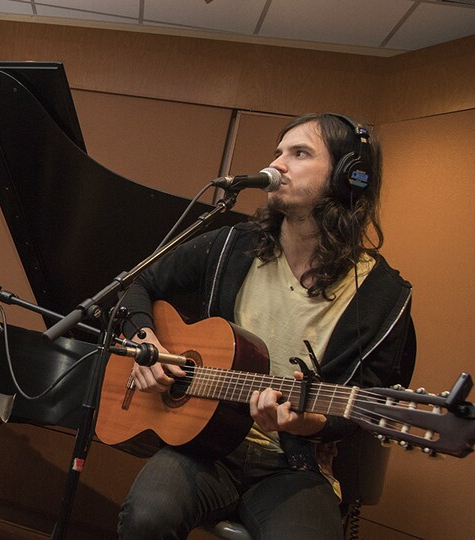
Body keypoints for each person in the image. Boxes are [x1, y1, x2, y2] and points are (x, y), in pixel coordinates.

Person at [115, 113, 416, 539]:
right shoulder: (232, 245)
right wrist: (143, 341)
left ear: (348, 178)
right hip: (204, 447)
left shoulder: (383, 295)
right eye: (278, 151)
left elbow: (358, 407)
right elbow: (139, 284)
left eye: (299, 153)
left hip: (295, 467)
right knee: (147, 517)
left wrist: (300, 422)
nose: (277, 165)